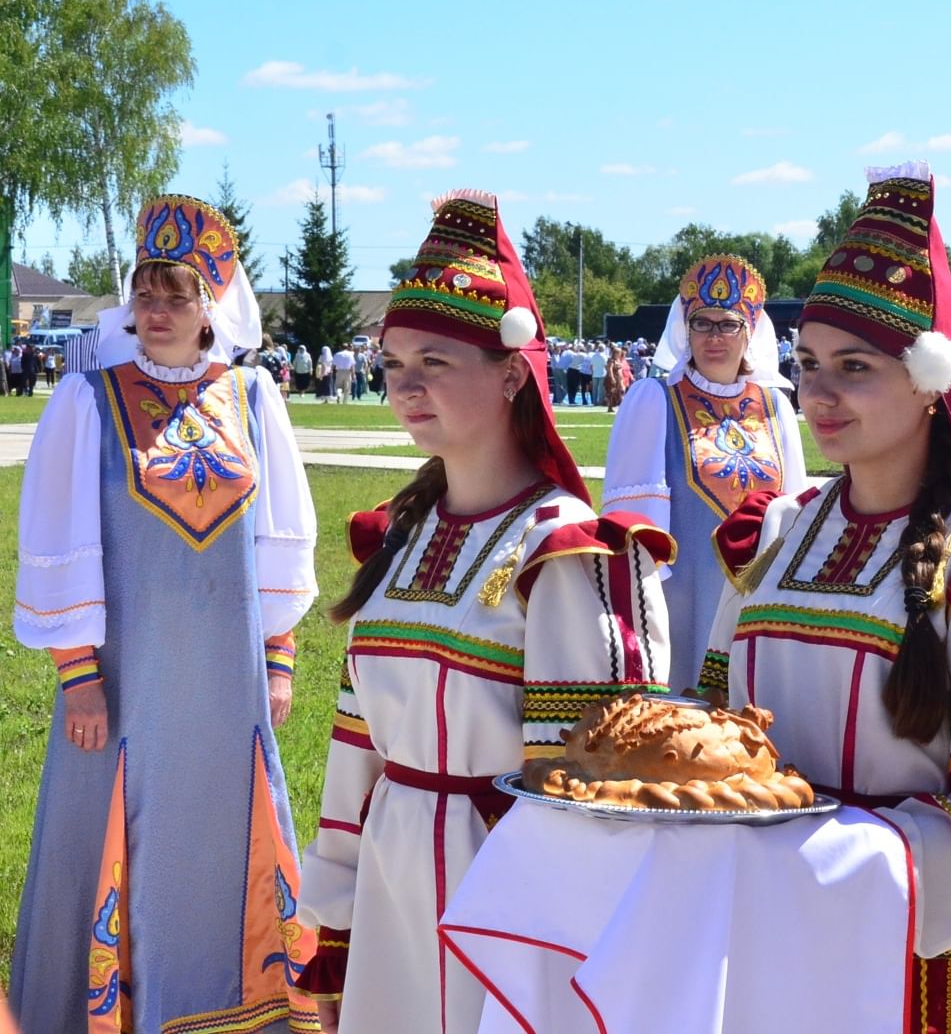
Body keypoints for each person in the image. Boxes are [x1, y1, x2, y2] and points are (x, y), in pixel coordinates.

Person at [702, 165, 951, 1031]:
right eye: (807, 364)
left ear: (928, 380)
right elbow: (712, 732)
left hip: (919, 975)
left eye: (854, 367)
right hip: (767, 951)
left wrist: (803, 860)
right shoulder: (778, 529)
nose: (818, 393)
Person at [296, 192, 672, 1033]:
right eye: (394, 363)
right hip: (393, 888)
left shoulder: (570, 553)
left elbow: (594, 800)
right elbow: (356, 745)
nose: (406, 384)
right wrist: (337, 919)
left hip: (505, 911)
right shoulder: (400, 534)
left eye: (435, 360)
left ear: (512, 371)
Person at [11, 195, 320, 1033]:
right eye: (145, 292)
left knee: (220, 842)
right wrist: (77, 676)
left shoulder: (254, 399)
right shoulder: (88, 402)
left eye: (175, 294)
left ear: (209, 305)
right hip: (123, 683)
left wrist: (280, 652)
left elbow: (278, 539)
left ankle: (229, 1003)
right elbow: (61, 542)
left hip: (226, 683)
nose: (155, 310)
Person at [602, 253, 806, 693]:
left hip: (757, 602)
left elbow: (795, 514)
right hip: (684, 602)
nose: (715, 336)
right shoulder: (654, 400)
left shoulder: (776, 408)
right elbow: (634, 530)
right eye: (703, 323)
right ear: (685, 328)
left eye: (728, 323)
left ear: (749, 331)